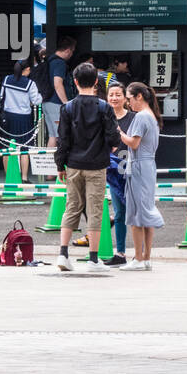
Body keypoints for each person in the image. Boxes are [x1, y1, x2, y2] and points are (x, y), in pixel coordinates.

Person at [54, 62, 122, 273]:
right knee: (95, 210)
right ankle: (93, 260)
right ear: (95, 82)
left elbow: (62, 140)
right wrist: (108, 148)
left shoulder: (67, 107)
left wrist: (60, 165)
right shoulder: (105, 107)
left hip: (73, 165)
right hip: (97, 165)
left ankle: (63, 254)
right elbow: (114, 136)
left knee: (71, 207)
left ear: (74, 82)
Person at [118, 82, 164, 271]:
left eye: (129, 99)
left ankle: (137, 258)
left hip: (138, 165)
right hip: (148, 165)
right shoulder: (151, 116)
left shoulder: (140, 116)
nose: (128, 104)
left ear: (138, 97)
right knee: (146, 210)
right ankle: (146, 258)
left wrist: (118, 132)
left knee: (135, 213)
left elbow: (133, 143)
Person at [103, 80, 133, 266]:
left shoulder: (133, 118)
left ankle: (142, 253)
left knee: (137, 211)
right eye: (111, 95)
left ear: (125, 98)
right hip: (113, 172)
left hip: (132, 168)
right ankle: (120, 253)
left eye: (118, 94)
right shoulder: (104, 117)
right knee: (120, 212)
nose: (114, 98)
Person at [0, 57, 43, 178]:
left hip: (8, 117)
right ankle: (23, 177)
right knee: (24, 148)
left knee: (7, 147)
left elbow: (1, 96)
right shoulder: (30, 83)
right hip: (24, 118)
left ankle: (9, 176)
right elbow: (37, 100)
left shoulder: (7, 79)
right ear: (27, 69)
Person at [44, 35, 77, 148]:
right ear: (68, 50)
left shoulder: (49, 60)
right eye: (72, 51)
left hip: (47, 101)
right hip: (56, 103)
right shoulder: (60, 63)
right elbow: (58, 84)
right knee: (60, 135)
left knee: (53, 135)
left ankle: (49, 164)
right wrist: (66, 103)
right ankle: (58, 164)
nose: (72, 54)